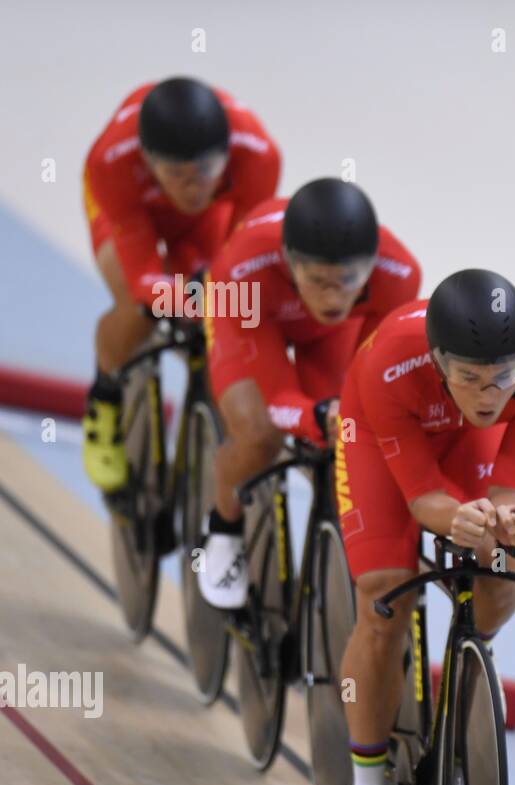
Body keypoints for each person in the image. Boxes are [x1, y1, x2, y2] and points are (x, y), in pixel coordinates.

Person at [335, 268, 515, 785]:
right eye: (470, 377)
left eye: (501, 379)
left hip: (462, 438)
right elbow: (421, 500)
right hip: (382, 434)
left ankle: (470, 658)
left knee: (498, 567)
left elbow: (512, 489)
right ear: (440, 362)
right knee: (385, 596)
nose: (490, 394)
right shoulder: (391, 361)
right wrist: (456, 516)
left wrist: (510, 523)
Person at [196, 178, 421, 608]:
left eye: (347, 280)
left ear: (371, 264)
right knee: (260, 433)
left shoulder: (400, 273)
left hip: (327, 336)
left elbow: (374, 380)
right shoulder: (244, 263)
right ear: (290, 262)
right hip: (252, 318)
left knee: (349, 435)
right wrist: (313, 416)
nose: (333, 295)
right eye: (318, 280)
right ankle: (223, 527)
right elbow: (274, 398)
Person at [81, 77, 281, 492]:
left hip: (203, 219)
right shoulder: (112, 161)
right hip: (131, 213)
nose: (193, 185)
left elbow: (245, 256)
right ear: (149, 160)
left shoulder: (258, 154)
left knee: (228, 304)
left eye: (206, 170)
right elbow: (145, 281)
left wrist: (220, 300)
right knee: (140, 310)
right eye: (177, 173)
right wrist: (196, 299)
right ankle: (104, 398)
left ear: (226, 155)